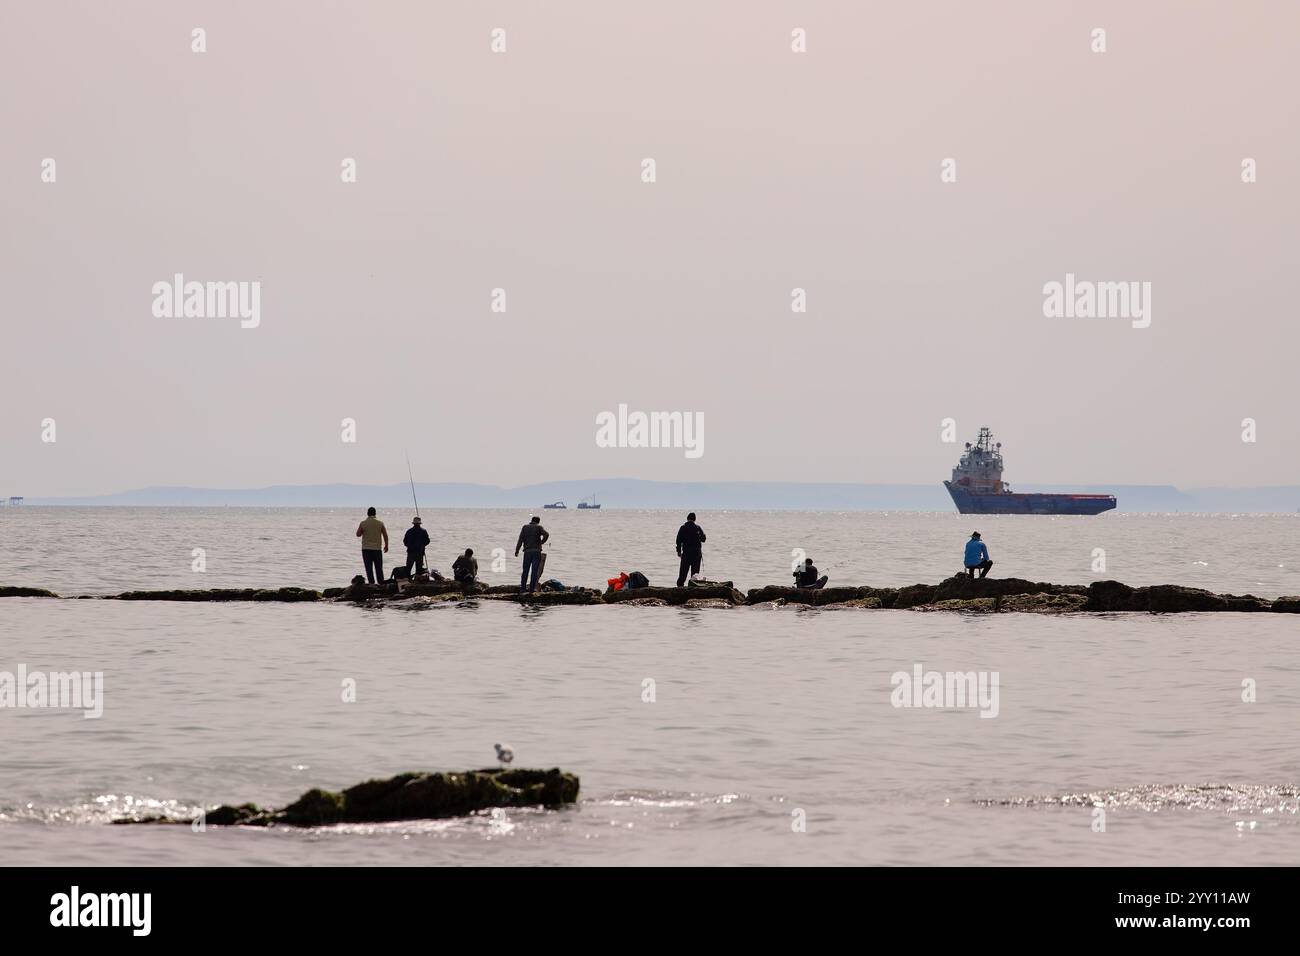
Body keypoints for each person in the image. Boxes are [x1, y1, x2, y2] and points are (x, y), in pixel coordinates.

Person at [515, 516, 550, 593]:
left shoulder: (525, 527)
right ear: (538, 521)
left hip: (527, 552)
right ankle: (532, 589)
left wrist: (517, 550)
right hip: (536, 552)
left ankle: (523, 589)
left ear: (531, 520)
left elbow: (520, 539)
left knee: (525, 571)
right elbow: (546, 534)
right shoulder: (539, 527)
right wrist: (542, 542)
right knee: (534, 571)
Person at [355, 507, 389, 584]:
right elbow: (385, 535)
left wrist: (364, 531)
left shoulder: (363, 523)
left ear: (368, 513)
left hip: (366, 549)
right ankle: (381, 583)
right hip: (377, 549)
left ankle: (371, 583)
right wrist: (386, 545)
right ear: (375, 513)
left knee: (369, 568)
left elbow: (358, 534)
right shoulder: (380, 523)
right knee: (379, 568)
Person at [675, 512, 707, 587]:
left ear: (687, 518)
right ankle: (693, 588)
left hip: (686, 554)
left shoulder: (683, 527)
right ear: (695, 519)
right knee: (695, 574)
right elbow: (704, 539)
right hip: (696, 554)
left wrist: (679, 551)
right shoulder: (698, 527)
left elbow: (678, 540)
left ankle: (680, 587)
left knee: (683, 573)